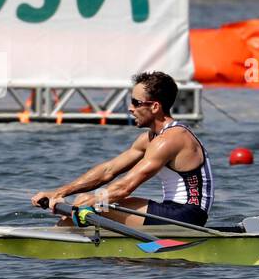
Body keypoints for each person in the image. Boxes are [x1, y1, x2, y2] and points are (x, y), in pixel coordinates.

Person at [31, 71, 213, 226]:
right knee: (86, 201)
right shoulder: (149, 139)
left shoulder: (171, 140)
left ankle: (54, 249)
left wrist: (89, 203)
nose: (130, 108)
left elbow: (125, 187)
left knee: (87, 202)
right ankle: (61, 242)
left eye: (136, 103)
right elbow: (107, 171)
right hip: (170, 209)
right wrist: (59, 192)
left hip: (188, 217)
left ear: (155, 106)